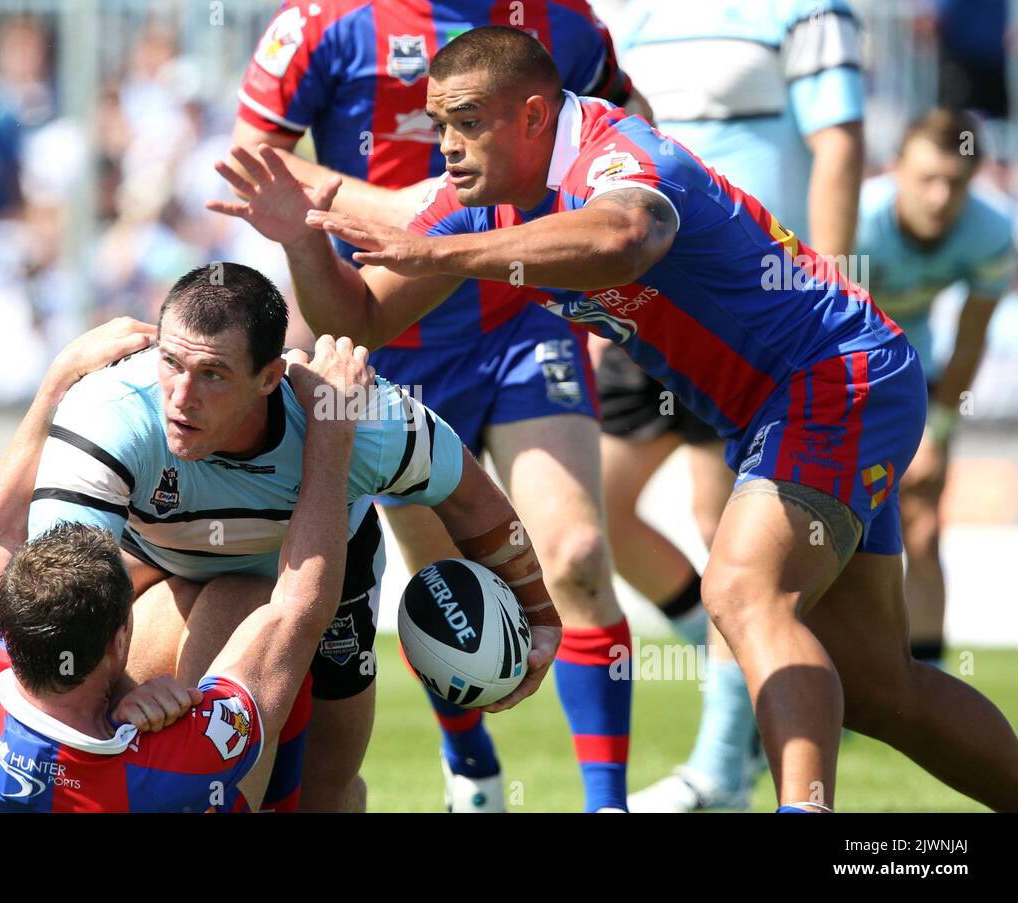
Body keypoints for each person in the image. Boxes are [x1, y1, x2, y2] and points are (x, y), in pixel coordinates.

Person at [212, 25, 1018, 810]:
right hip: (783, 404)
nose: (443, 144)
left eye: (464, 122)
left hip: (836, 375)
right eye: (437, 122)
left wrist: (440, 254)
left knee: (742, 588)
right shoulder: (474, 201)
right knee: (879, 689)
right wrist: (299, 244)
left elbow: (630, 235)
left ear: (532, 116)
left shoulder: (618, 153)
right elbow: (363, 318)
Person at [232, 0, 648, 813]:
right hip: (386, 325)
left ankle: (608, 804)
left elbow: (628, 125)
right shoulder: (326, 21)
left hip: (525, 315)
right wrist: (389, 205)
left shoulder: (563, 21)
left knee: (577, 555)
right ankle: (473, 767)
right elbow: (255, 156)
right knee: (443, 580)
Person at [26, 262, 562, 812]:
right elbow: (58, 604)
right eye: (170, 362)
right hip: (167, 574)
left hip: (331, 579)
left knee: (327, 792)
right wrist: (116, 692)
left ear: (269, 377)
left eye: (213, 374)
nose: (181, 397)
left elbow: (469, 495)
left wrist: (540, 613)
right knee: (137, 750)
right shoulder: (109, 413)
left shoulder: (358, 417)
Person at [0, 319, 375, 811]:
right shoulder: (182, 764)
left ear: (8, 631)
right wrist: (331, 434)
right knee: (242, 601)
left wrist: (54, 385)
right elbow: (295, 608)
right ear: (119, 640)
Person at [612, 0, 867, 812]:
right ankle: (747, 678)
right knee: (596, 513)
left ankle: (723, 766)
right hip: (647, 302)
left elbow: (838, 145)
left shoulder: (806, 9)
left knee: (727, 535)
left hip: (758, 309)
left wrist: (823, 287)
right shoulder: (624, 13)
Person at [857, 108, 1016, 671]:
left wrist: (938, 432)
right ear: (895, 169)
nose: (938, 196)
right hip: (831, 369)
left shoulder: (995, 231)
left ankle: (928, 686)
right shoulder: (853, 218)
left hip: (908, 365)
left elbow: (971, 340)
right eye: (926, 178)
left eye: (954, 182)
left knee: (922, 525)